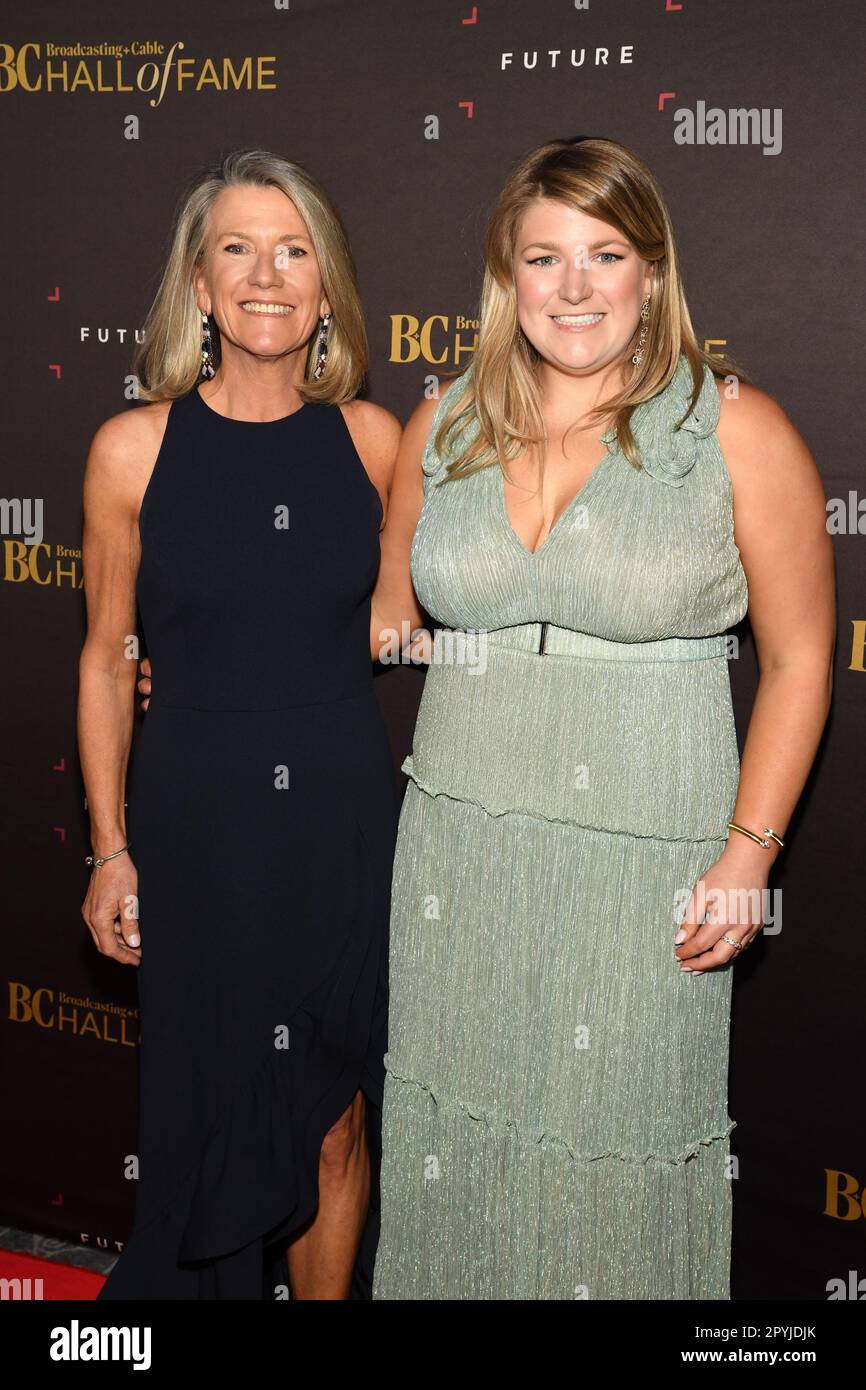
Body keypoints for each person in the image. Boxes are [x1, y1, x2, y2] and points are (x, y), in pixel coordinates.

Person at [367, 136, 835, 1299]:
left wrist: (746, 852)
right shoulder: (444, 429)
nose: (573, 287)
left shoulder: (734, 432)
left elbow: (799, 657)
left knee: (614, 1155)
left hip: (644, 855)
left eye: (604, 253)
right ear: (504, 277)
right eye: (543, 257)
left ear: (651, 272)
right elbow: (383, 628)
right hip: (460, 849)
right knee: (454, 1138)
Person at [79, 149, 402, 1299]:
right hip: (196, 824)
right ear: (200, 286)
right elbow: (109, 660)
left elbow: (400, 628)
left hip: (338, 821)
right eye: (236, 249)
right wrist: (112, 846)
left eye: (293, 249)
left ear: (325, 286)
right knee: (209, 1113)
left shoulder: (374, 441)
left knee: (329, 1115)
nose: (266, 273)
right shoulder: (132, 450)